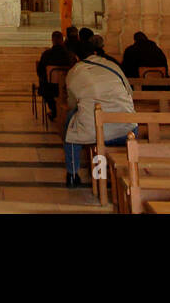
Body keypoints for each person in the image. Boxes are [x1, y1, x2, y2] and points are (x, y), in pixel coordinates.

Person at [62, 40, 136, 187]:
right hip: (128, 128)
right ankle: (121, 174)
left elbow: (71, 103)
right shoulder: (112, 65)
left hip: (96, 131)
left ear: (76, 57)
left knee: (71, 127)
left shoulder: (75, 72)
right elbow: (129, 91)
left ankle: (72, 174)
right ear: (95, 52)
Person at [35, 30, 75, 120]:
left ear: (52, 40)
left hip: (49, 88)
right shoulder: (69, 55)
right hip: (67, 86)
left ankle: (54, 110)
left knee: (45, 86)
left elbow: (40, 71)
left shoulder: (47, 54)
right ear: (62, 40)